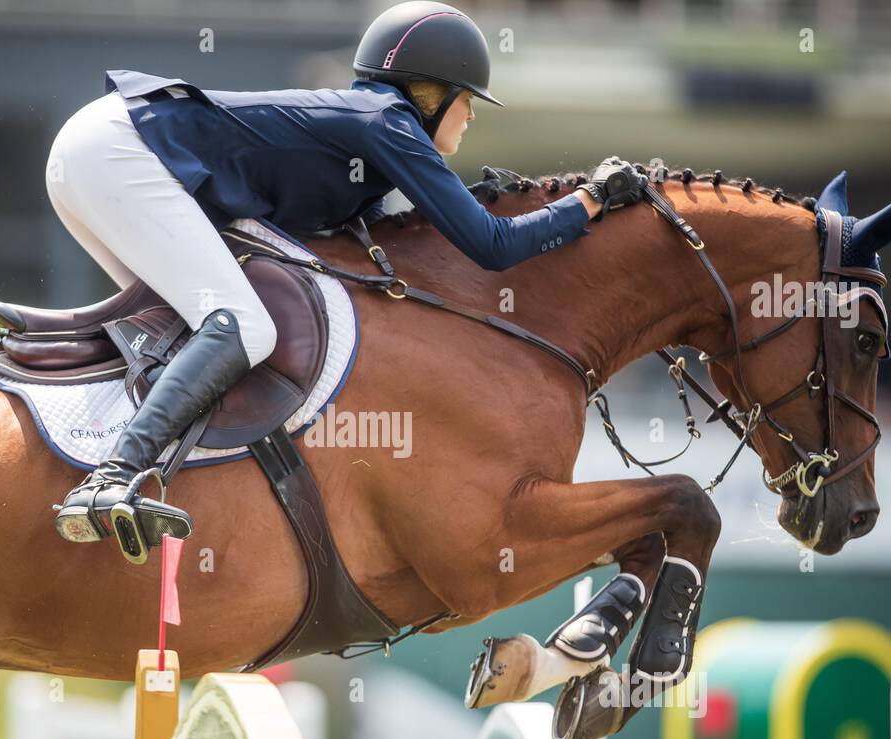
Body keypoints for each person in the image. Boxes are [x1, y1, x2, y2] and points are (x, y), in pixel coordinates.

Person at [47, 0, 648, 562]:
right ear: (430, 94)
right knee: (244, 326)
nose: (468, 118)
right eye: (466, 100)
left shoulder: (366, 128)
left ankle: (100, 435)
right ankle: (111, 478)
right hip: (119, 151)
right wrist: (591, 200)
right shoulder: (385, 122)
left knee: (196, 333)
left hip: (97, 152)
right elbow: (492, 246)